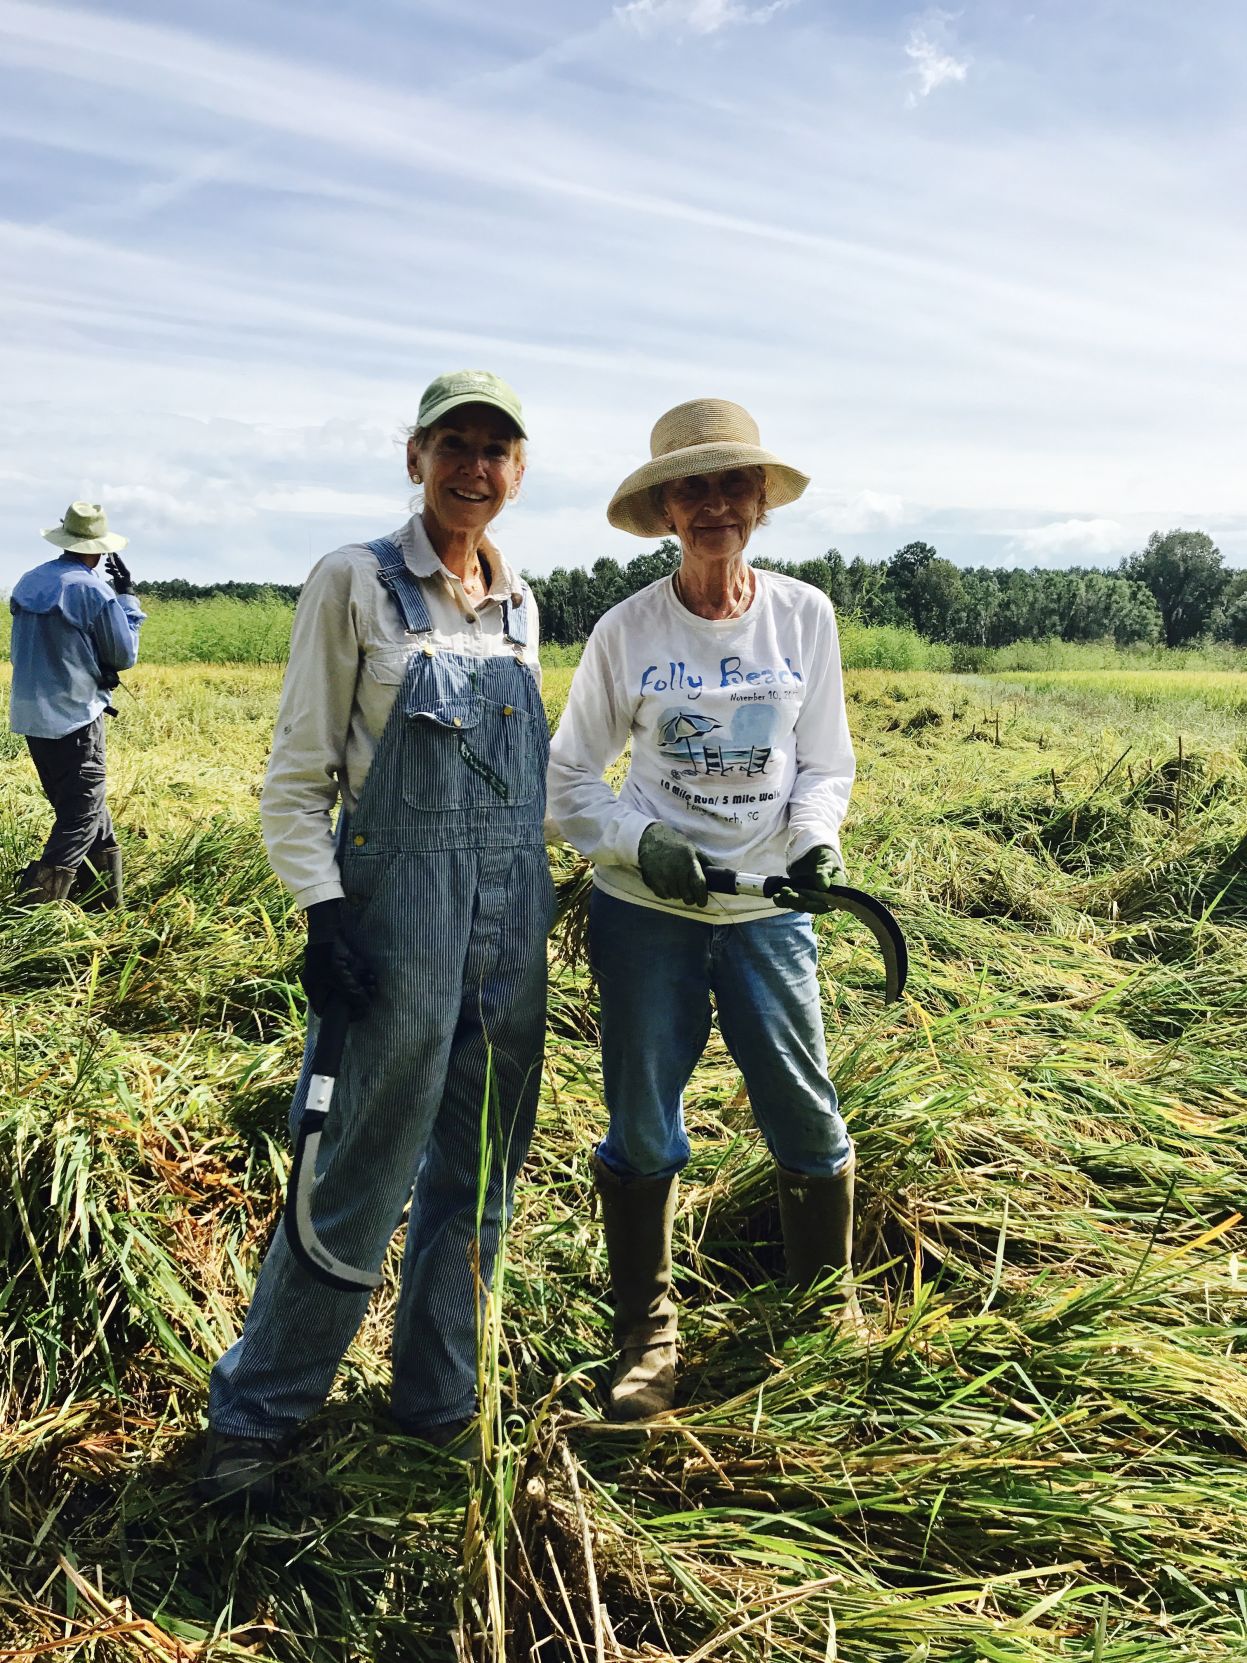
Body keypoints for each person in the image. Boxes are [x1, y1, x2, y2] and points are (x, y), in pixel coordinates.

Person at [200, 371, 552, 1507]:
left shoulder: (521, 604)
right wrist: (324, 913)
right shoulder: (353, 582)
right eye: (455, 443)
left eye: (496, 450)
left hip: (509, 931)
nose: (474, 467)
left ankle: (437, 1399)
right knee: (351, 1168)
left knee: (480, 1173)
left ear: (517, 470)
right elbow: (297, 778)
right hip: (394, 928)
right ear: (414, 455)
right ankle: (254, 1426)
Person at [547, 398, 861, 1421]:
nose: (716, 503)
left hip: (770, 909)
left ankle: (822, 1308)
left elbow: (824, 761)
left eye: (733, 484)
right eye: (694, 486)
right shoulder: (626, 629)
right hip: (647, 914)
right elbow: (565, 781)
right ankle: (645, 1329)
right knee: (642, 1118)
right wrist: (639, 845)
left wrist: (814, 839)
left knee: (803, 1110)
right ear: (664, 508)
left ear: (760, 501)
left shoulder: (802, 617)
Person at [8, 502, 145, 907]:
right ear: (100, 550)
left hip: (32, 717)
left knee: (84, 808)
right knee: (80, 816)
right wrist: (128, 599)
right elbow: (123, 656)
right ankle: (35, 915)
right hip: (75, 718)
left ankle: (105, 904)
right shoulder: (92, 590)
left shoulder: (29, 581)